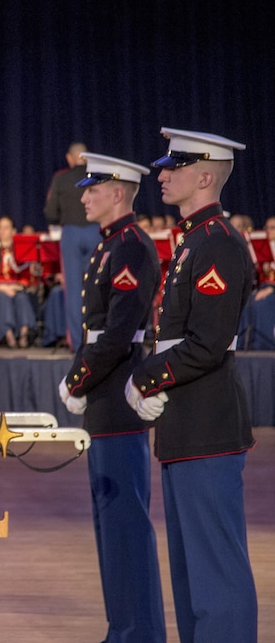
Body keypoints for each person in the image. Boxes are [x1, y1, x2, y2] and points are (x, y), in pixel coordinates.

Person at [126, 128, 257, 642]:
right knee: (191, 576)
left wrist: (146, 377)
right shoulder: (194, 241)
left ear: (205, 177)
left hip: (207, 423)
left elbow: (207, 342)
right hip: (187, 422)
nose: (161, 174)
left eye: (173, 168)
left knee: (215, 574)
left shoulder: (219, 244)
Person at [57, 153, 165, 643]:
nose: (83, 197)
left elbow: (119, 333)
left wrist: (77, 379)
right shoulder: (111, 246)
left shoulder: (130, 247)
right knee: (110, 526)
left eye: (92, 189)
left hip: (117, 395)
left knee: (125, 527)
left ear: (118, 192)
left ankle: (137, 632)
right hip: (107, 396)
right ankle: (122, 629)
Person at [44, 141, 100, 349]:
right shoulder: (96, 177)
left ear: (70, 158)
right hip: (96, 231)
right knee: (97, 286)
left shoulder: (61, 179)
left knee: (74, 291)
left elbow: (51, 213)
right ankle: (97, 340)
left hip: (71, 233)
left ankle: (78, 344)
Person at [0, 215, 37, 348]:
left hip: (17, 287)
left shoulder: (21, 250)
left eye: (6, 228)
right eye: (0, 228)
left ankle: (24, 333)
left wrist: (16, 287)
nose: (2, 231)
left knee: (21, 298)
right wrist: (1, 287)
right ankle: (8, 334)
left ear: (13, 231)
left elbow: (27, 276)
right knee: (1, 297)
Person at [240, 215, 275, 350]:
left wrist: (272, 288)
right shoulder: (261, 250)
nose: (268, 231)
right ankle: (243, 345)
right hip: (262, 288)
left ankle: (262, 346)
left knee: (262, 303)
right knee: (246, 301)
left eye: (273, 228)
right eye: (267, 228)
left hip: (271, 291)